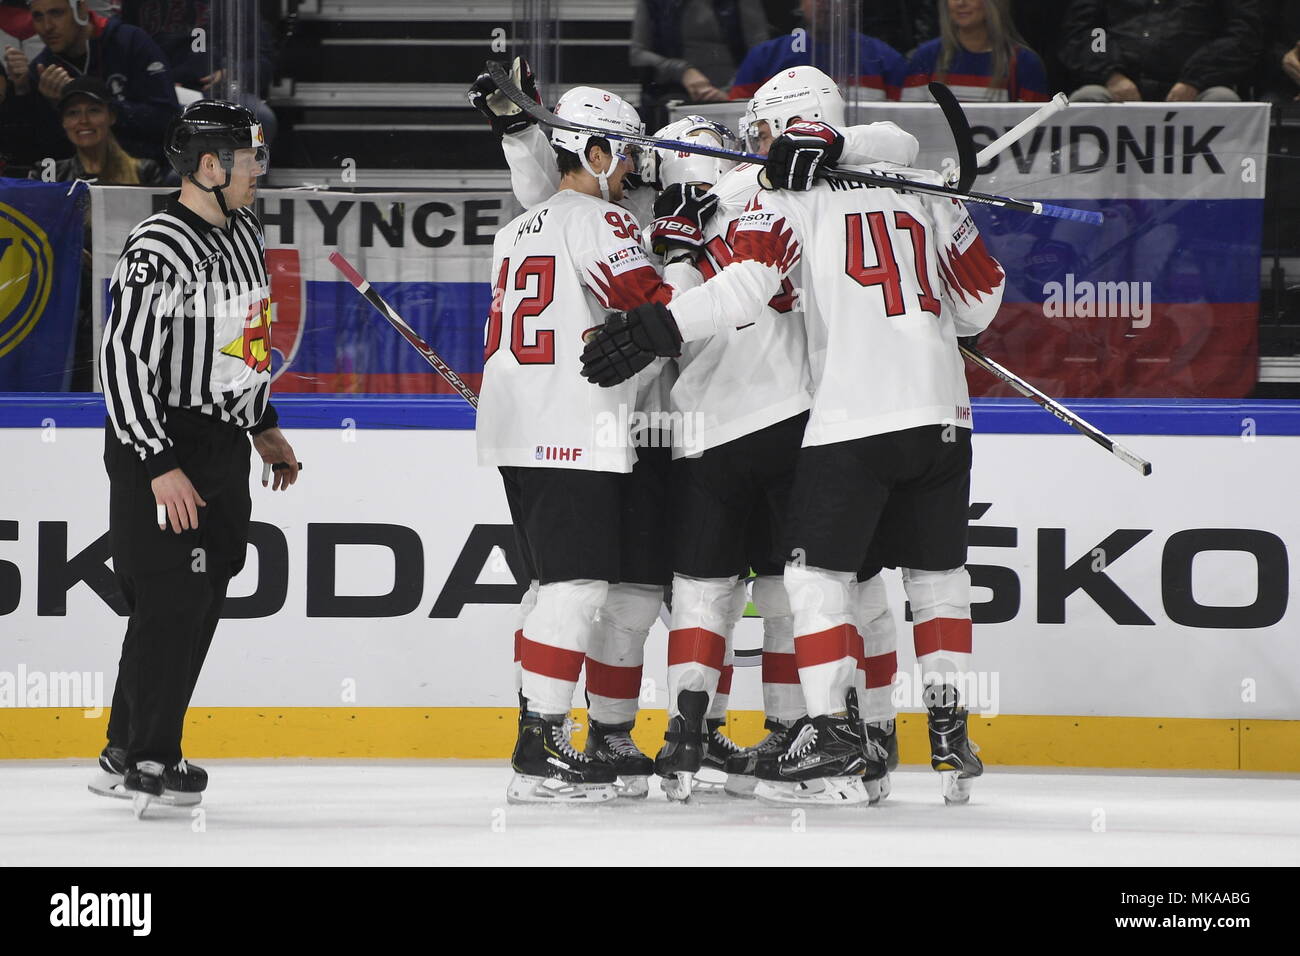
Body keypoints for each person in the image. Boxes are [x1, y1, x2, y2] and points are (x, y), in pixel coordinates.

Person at [581, 93, 1007, 806]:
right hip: (940, 411)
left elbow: (747, 287)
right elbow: (981, 304)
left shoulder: (780, 190)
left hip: (838, 414)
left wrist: (660, 321)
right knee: (930, 579)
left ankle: (814, 734)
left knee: (802, 584)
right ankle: (939, 734)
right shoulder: (924, 188)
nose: (752, 142)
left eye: (761, 130)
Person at [645, 69, 920, 802]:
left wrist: (673, 252)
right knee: (803, 592)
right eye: (739, 139)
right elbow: (898, 142)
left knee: (712, 594)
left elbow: (895, 139)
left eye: (760, 133)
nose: (751, 146)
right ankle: (826, 738)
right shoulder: (782, 191)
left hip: (711, 431)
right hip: (785, 420)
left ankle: (691, 746)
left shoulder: (754, 195)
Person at [474, 84, 716, 805]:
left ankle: (561, 736)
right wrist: (681, 250)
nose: (635, 169)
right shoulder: (603, 218)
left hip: (527, 428)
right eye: (628, 153)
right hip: (571, 429)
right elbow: (658, 310)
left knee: (563, 587)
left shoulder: (519, 227)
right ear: (596, 151)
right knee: (574, 589)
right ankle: (540, 749)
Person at [92, 99, 300, 817]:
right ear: (208, 166)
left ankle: (127, 747)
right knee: (172, 600)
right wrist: (157, 460)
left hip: (216, 445)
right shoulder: (159, 246)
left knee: (197, 601)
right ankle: (152, 756)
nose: (259, 172)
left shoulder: (243, 230)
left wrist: (260, 423)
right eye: (250, 160)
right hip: (160, 442)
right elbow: (121, 360)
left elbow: (239, 347)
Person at [6, 0, 179, 162]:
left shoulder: (130, 42)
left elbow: (167, 121)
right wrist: (23, 91)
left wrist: (87, 102)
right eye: (38, 16)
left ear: (80, 9)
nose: (47, 27)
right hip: (79, 180)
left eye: (56, 13)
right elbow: (39, 153)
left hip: (146, 169)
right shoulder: (43, 69)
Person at [1058, 0, 1263, 103]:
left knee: (1222, 101)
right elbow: (1083, 31)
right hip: (1117, 87)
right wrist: (1111, 74)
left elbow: (1243, 34)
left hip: (1198, 88)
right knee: (1087, 99)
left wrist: (1195, 80)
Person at [729, 0, 908, 101]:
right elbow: (736, 117)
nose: (826, 3)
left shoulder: (886, 60)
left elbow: (907, 123)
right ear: (800, 4)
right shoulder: (763, 58)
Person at [631, 0, 769, 111]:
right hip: (676, 95)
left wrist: (730, 90)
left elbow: (761, 51)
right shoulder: (654, 3)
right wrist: (682, 71)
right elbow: (637, 55)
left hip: (735, 94)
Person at [901, 0, 1049, 102]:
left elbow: (1035, 136)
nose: (960, 2)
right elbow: (910, 125)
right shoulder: (925, 57)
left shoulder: (1025, 63)